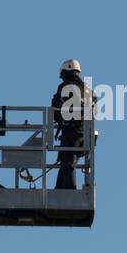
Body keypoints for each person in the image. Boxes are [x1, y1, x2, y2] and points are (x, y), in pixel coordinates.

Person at [50, 58, 91, 190]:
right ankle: (60, 187)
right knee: (67, 160)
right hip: (85, 132)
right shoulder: (86, 89)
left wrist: (58, 118)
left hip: (71, 131)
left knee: (68, 161)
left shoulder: (65, 87)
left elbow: (55, 107)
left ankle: (68, 189)